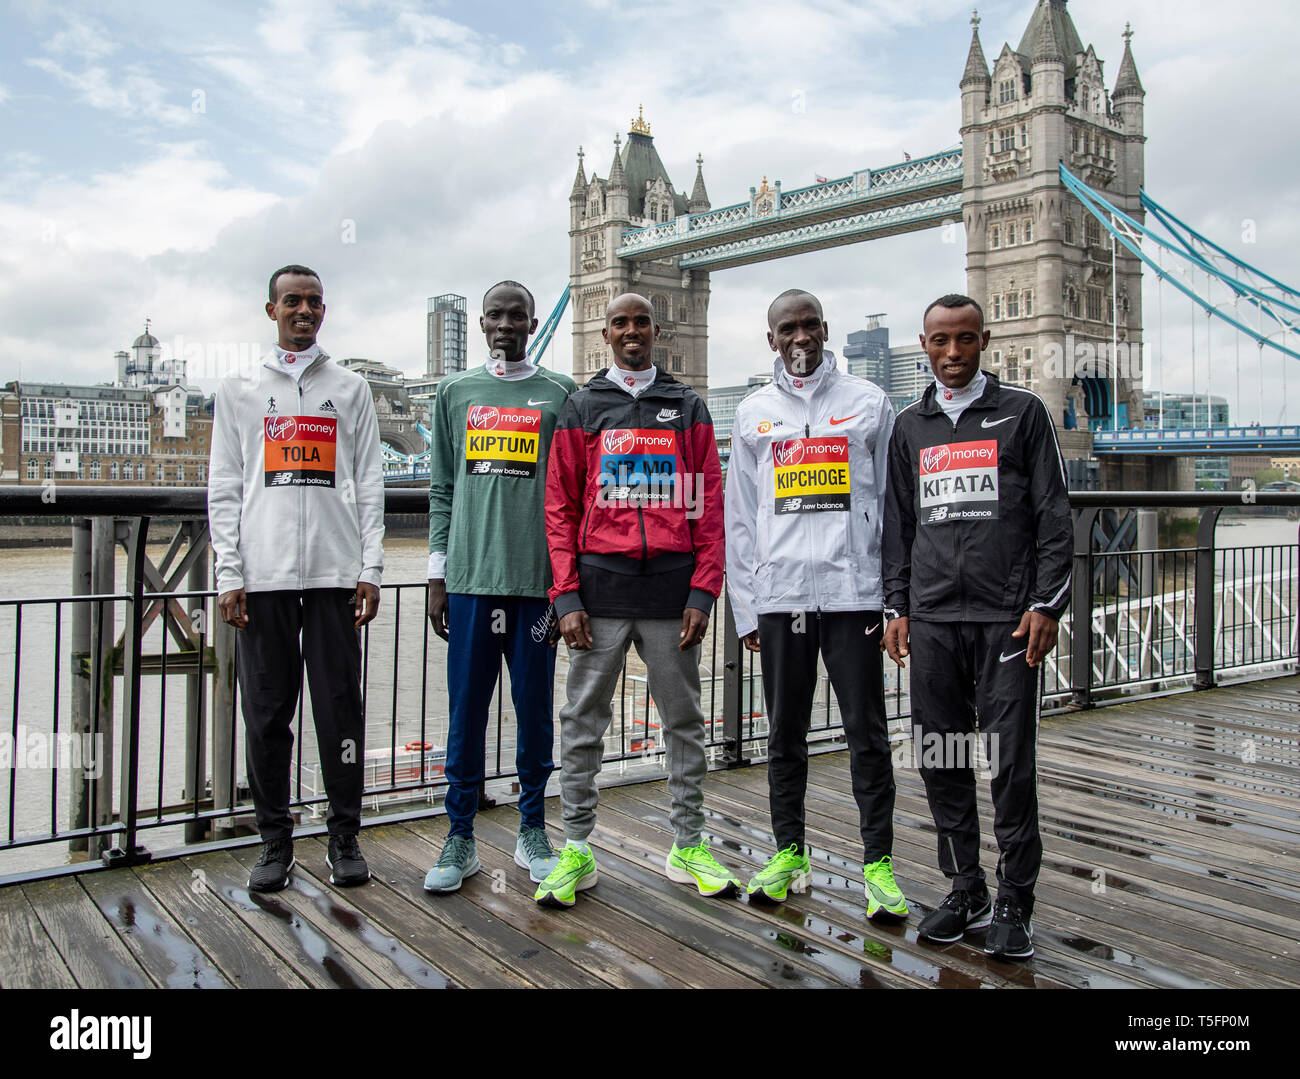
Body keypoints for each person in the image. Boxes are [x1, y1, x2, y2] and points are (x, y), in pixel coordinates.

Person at [882, 293, 1071, 960]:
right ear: (924, 344)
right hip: (932, 620)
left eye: (965, 339)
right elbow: (897, 528)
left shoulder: (1024, 414)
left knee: (1011, 765)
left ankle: (1016, 897)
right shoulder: (909, 425)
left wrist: (1047, 603)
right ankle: (966, 886)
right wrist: (896, 608)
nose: (953, 353)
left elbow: (1053, 516)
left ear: (984, 339)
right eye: (940, 341)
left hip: (1006, 620)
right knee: (943, 757)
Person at [537, 292, 737, 907]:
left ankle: (688, 844)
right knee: (582, 724)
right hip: (598, 592)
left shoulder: (688, 407)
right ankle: (576, 847)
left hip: (671, 596)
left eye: (641, 322)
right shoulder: (582, 407)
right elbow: (560, 507)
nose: (631, 331)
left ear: (657, 329)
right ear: (605, 333)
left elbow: (708, 506)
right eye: (620, 322)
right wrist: (566, 593)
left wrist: (704, 591)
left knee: (683, 720)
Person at [724, 289, 907, 919]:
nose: (800, 338)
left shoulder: (869, 404)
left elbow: (892, 506)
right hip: (782, 601)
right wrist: (746, 609)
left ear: (825, 330)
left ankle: (878, 865)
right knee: (785, 735)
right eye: (787, 330)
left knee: (867, 734)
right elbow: (740, 519)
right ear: (770, 339)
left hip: (853, 597)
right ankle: (789, 853)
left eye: (809, 327)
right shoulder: (752, 414)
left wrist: (891, 602)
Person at [209, 264, 385, 892]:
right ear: (271, 310)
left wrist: (370, 568)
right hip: (264, 577)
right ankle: (274, 842)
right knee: (266, 716)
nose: (303, 310)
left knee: (340, 712)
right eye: (291, 301)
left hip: (335, 577)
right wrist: (229, 573)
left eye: (313, 301)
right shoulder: (238, 391)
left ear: (323, 310)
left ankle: (343, 838)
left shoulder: (352, 388)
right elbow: (225, 488)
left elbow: (369, 482)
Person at [422, 281, 576, 892]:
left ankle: (532, 826)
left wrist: (569, 586)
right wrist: (437, 575)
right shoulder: (454, 392)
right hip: (469, 581)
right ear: (482, 324)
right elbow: (441, 489)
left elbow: (571, 492)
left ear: (534, 322)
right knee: (466, 711)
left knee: (535, 710)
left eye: (517, 316)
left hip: (537, 586)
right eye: (495, 316)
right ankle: (460, 838)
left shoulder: (561, 394)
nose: (505, 325)